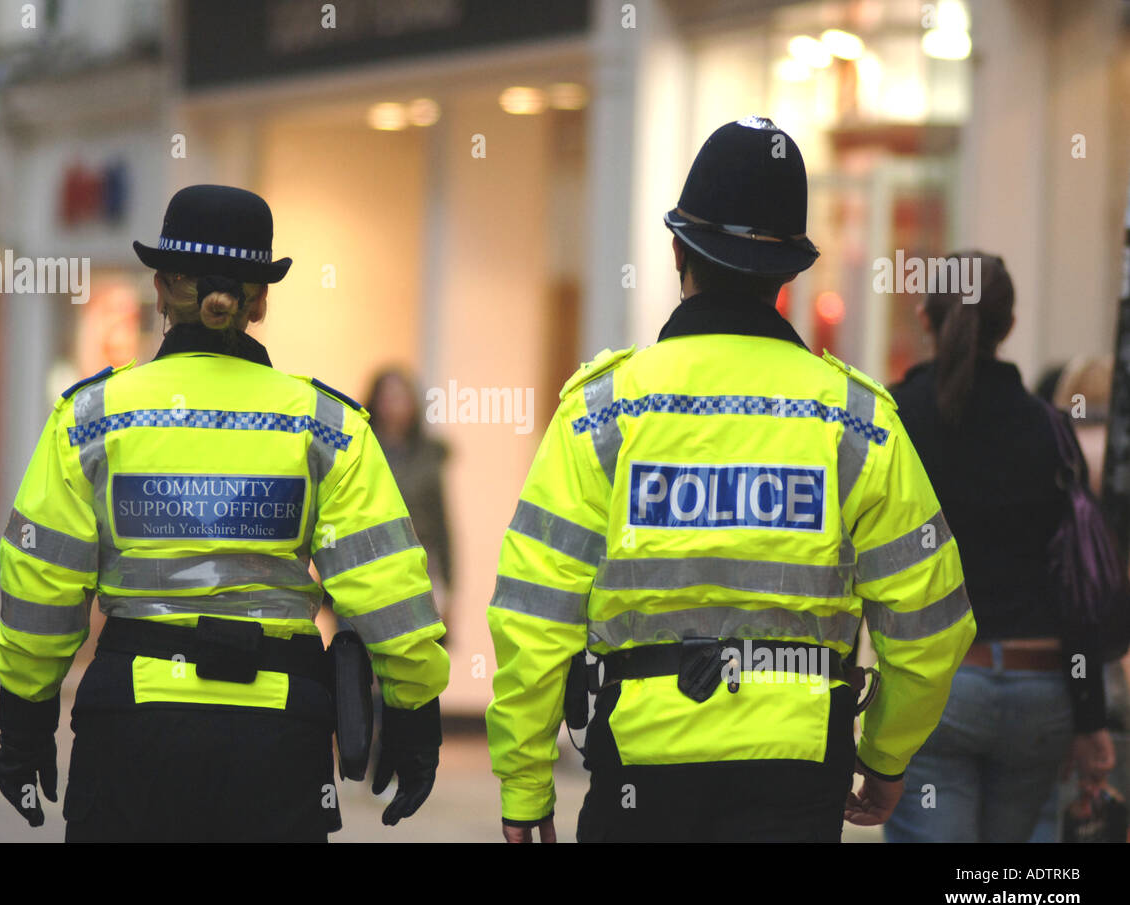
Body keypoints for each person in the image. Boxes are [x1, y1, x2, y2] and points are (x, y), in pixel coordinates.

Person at [484, 117, 976, 843]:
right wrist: (885, 753)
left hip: (641, 762)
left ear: (677, 248)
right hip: (799, 765)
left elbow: (535, 610)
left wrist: (525, 783)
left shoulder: (603, 410)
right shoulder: (858, 418)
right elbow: (932, 623)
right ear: (791, 273)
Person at [0, 184, 450, 841]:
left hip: (131, 726)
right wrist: (414, 721)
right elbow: (388, 590)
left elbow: (40, 587)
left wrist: (24, 728)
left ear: (162, 289)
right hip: (277, 735)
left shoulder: (91, 418)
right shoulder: (328, 426)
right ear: (259, 300)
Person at [883, 253, 1115, 843]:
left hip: (937, 687)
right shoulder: (1050, 428)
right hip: (1041, 691)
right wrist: (1090, 719)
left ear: (924, 316)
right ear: (1008, 325)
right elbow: (1076, 584)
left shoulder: (896, 420)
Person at [365, 367, 453, 634]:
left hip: (416, 571)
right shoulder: (361, 449)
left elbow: (441, 525)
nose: (393, 406)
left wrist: (447, 585)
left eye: (400, 397)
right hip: (366, 568)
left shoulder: (428, 457)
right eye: (387, 397)